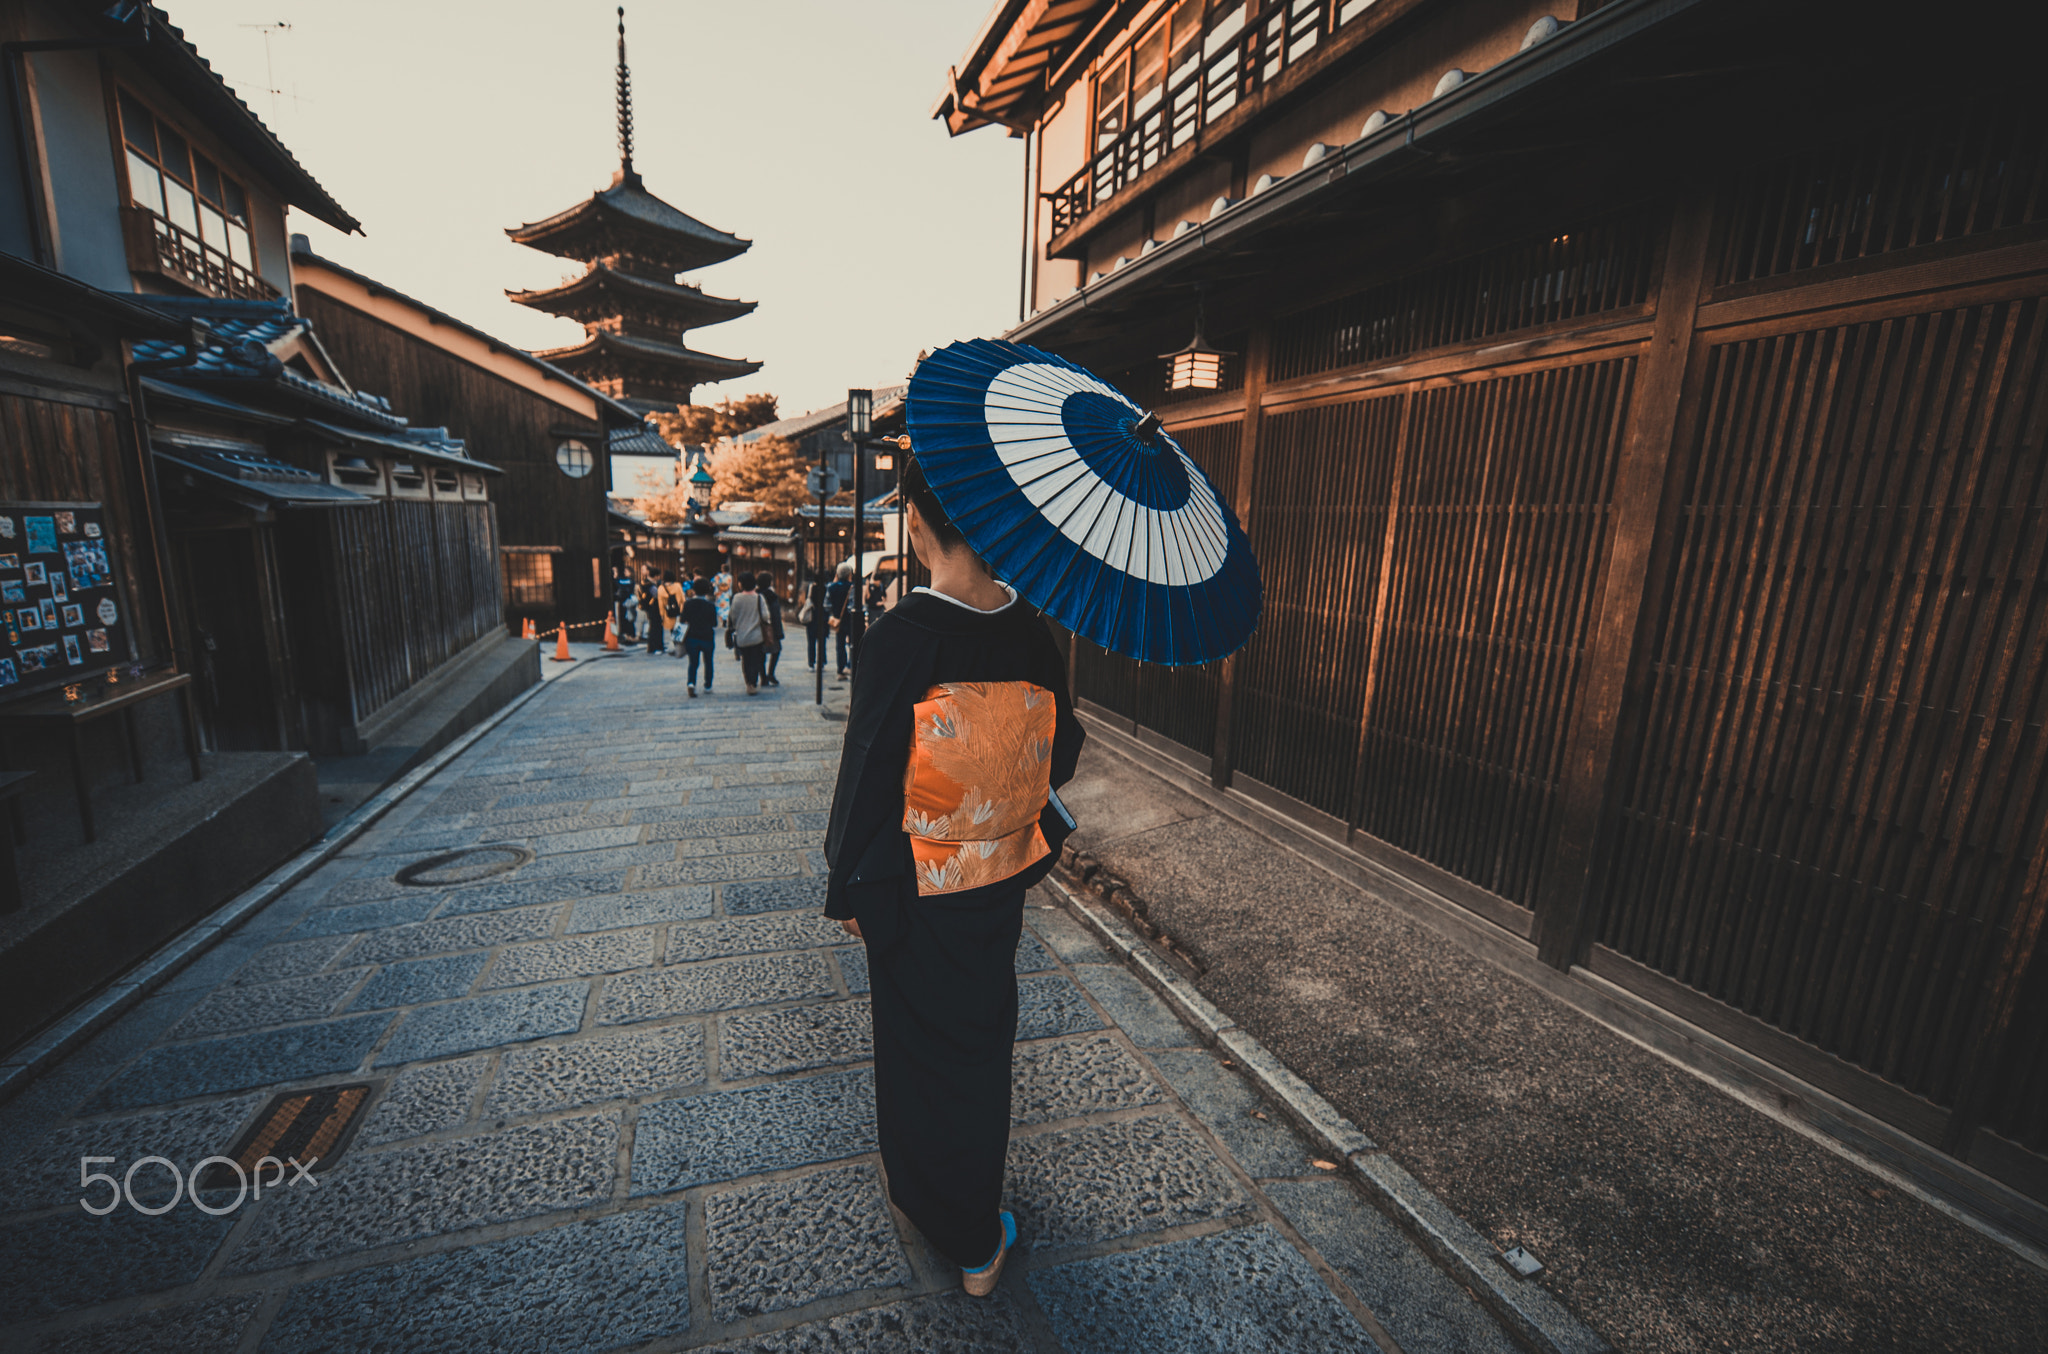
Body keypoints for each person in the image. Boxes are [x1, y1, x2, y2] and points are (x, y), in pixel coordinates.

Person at [823, 448, 1083, 1296]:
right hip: (995, 875)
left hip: (909, 886)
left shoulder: (902, 636)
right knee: (978, 1043)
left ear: (920, 521)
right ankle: (974, 1226)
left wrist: (845, 889)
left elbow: (865, 780)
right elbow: (1062, 751)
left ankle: (960, 1228)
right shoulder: (1029, 632)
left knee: (913, 1048)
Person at [726, 571, 770, 695]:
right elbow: (766, 616)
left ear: (741, 584)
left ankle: (748, 683)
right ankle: (754, 682)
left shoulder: (736, 598)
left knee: (746, 660)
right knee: (756, 659)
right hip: (757, 636)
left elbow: (733, 616)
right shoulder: (759, 598)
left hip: (742, 635)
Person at [679, 579, 718, 695]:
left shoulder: (688, 604)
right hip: (707, 637)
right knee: (708, 661)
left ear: (694, 590)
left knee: (693, 662)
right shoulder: (710, 606)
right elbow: (714, 623)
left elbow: (682, 620)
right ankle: (708, 685)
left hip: (692, 637)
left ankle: (691, 682)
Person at [826, 561, 855, 679]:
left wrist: (834, 613)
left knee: (840, 645)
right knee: (853, 644)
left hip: (837, 620)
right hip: (850, 621)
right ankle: (850, 666)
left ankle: (840, 671)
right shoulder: (852, 587)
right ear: (849, 574)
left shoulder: (831, 587)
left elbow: (826, 605)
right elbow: (852, 606)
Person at [759, 577, 785, 687]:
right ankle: (771, 672)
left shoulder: (756, 595)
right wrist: (779, 632)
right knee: (776, 650)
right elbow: (776, 615)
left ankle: (763, 676)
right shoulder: (773, 596)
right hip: (771, 628)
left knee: (760, 653)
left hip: (759, 628)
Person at [657, 571, 687, 656]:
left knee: (672, 631)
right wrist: (683, 610)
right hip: (678, 611)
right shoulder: (677, 586)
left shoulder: (661, 589)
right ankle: (681, 647)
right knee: (680, 631)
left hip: (668, 613)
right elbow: (682, 599)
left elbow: (660, 603)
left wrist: (662, 614)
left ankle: (675, 647)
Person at [638, 567, 663, 655]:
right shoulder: (651, 585)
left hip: (648, 607)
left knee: (653, 626)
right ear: (656, 576)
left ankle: (653, 647)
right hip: (654, 607)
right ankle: (656, 646)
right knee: (655, 627)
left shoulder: (644, 582)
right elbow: (656, 595)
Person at [806, 578, 829, 671]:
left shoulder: (811, 587)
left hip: (812, 617)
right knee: (822, 642)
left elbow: (807, 600)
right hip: (823, 617)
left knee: (811, 642)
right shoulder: (826, 588)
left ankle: (811, 663)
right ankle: (822, 662)